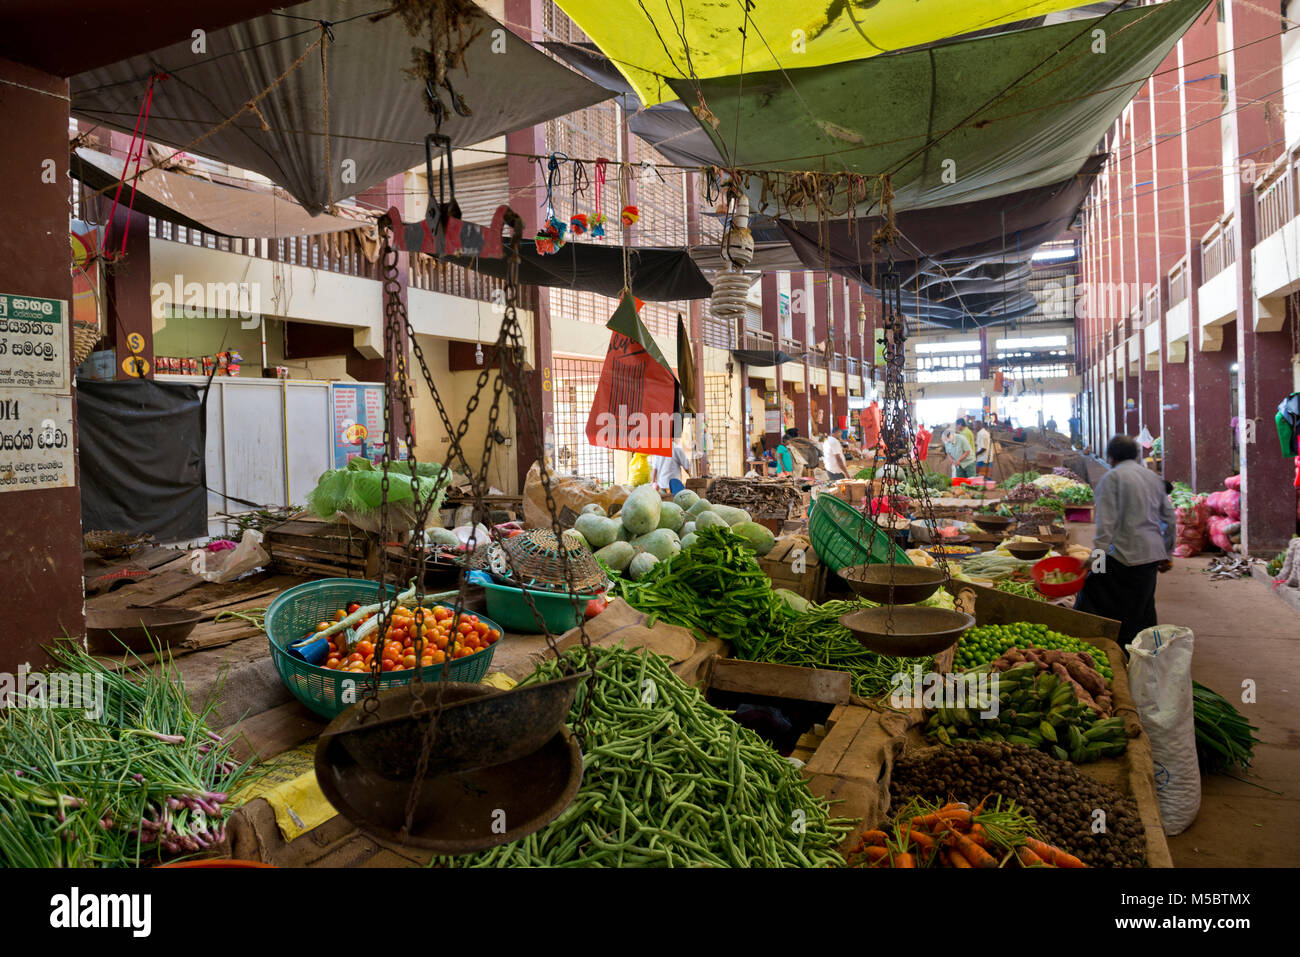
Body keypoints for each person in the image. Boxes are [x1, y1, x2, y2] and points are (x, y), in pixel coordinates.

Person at [1073, 435, 1176, 648]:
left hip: (1122, 557)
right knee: (1143, 606)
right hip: (1150, 557)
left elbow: (1105, 526)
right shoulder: (1153, 478)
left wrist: (1096, 559)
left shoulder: (1111, 479)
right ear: (1136, 455)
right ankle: (1143, 654)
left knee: (1091, 594)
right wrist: (1167, 554)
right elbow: (1169, 519)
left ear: (1110, 457)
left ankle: (1107, 646)